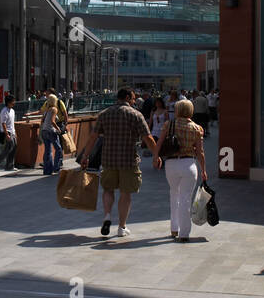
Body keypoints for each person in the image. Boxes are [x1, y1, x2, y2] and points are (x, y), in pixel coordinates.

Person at [78, 88, 156, 238]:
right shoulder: (135, 115)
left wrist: (85, 156)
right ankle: (122, 227)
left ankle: (107, 215)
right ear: (127, 97)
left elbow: (93, 137)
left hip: (108, 159)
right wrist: (156, 155)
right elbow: (148, 138)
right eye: (133, 99)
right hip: (128, 160)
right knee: (125, 193)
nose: (134, 101)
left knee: (108, 190)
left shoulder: (104, 114)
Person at [153, 98, 207, 241]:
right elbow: (200, 152)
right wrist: (203, 170)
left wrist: (155, 157)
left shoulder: (169, 124)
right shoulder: (197, 128)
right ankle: (184, 233)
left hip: (171, 164)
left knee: (173, 195)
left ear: (177, 110)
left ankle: (174, 228)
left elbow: (159, 143)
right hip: (189, 164)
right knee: (185, 199)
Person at [40, 93, 64, 176]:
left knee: (48, 150)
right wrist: (58, 129)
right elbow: (53, 121)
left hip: (44, 131)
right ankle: (56, 168)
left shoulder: (46, 109)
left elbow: (42, 120)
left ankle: (47, 170)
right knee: (58, 149)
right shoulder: (54, 109)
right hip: (50, 131)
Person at [0, 93, 17, 171]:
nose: (14, 102)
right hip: (7, 132)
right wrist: (7, 134)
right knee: (8, 148)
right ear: (8, 102)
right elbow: (3, 123)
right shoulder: (4, 111)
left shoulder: (12, 111)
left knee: (14, 148)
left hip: (12, 132)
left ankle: (10, 166)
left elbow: (12, 122)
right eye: (13, 101)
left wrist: (15, 132)